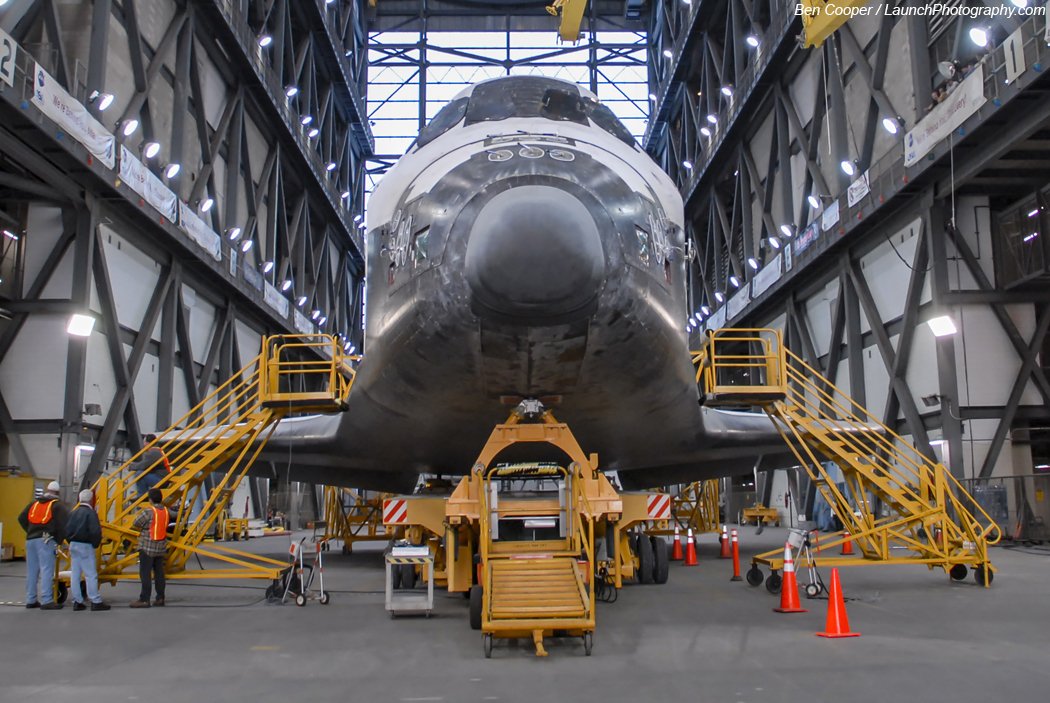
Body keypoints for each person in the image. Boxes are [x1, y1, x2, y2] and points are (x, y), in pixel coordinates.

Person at [17, 481, 69, 610]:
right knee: (46, 569)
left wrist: (30, 531)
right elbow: (65, 525)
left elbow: (21, 518)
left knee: (32, 571)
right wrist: (60, 540)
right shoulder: (57, 506)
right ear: (57, 493)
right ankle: (46, 600)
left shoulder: (33, 504)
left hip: (30, 539)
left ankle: (31, 600)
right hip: (46, 539)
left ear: (47, 490)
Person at [65, 489, 111, 611]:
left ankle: (77, 601)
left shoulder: (73, 513)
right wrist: (95, 544)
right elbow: (95, 531)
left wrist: (71, 542)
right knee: (90, 574)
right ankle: (95, 601)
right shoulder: (91, 513)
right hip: (86, 545)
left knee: (75, 574)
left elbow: (67, 530)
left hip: (74, 545)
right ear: (91, 500)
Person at [130, 487, 169, 608]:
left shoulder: (148, 511)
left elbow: (136, 522)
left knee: (145, 573)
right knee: (159, 574)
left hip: (147, 546)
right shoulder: (165, 511)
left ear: (150, 499)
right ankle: (160, 598)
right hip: (161, 546)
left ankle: (144, 599)